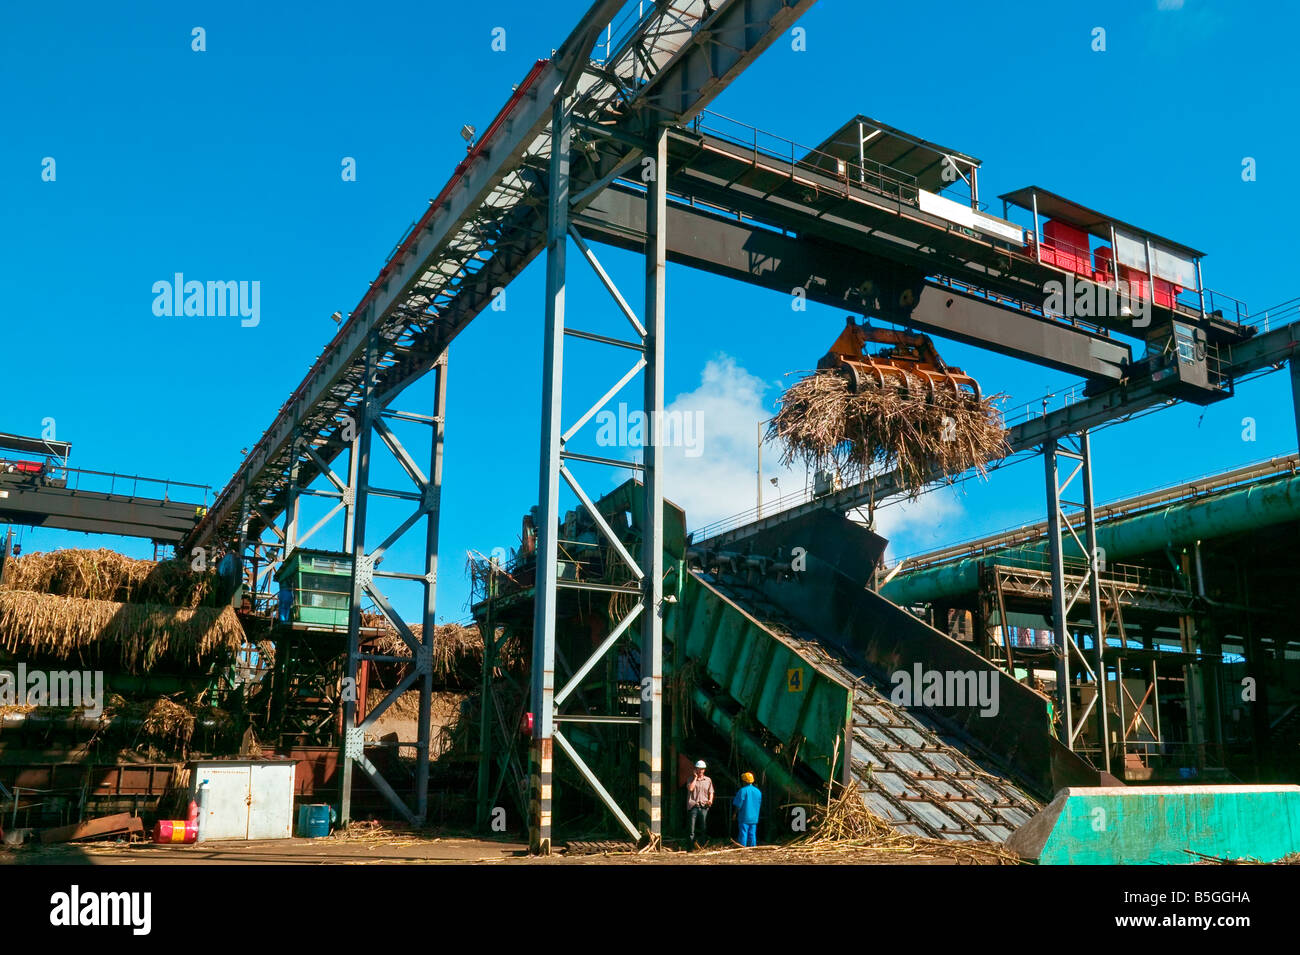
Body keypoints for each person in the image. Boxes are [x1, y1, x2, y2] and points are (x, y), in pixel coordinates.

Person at [686, 760, 713, 846]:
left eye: (702, 769)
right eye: (699, 768)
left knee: (703, 828)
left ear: (704, 770)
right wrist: (695, 778)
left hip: (704, 806)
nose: (701, 770)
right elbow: (690, 788)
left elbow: (711, 792)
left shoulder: (708, 780)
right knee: (691, 829)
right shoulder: (690, 779)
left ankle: (702, 846)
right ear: (695, 769)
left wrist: (710, 800)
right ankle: (690, 846)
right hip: (693, 806)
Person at [733, 772, 762, 847]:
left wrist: (735, 814)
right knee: (752, 834)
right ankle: (753, 848)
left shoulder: (742, 791)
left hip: (744, 816)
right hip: (754, 817)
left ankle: (742, 848)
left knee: (743, 833)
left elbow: (738, 804)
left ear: (744, 781)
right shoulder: (758, 791)